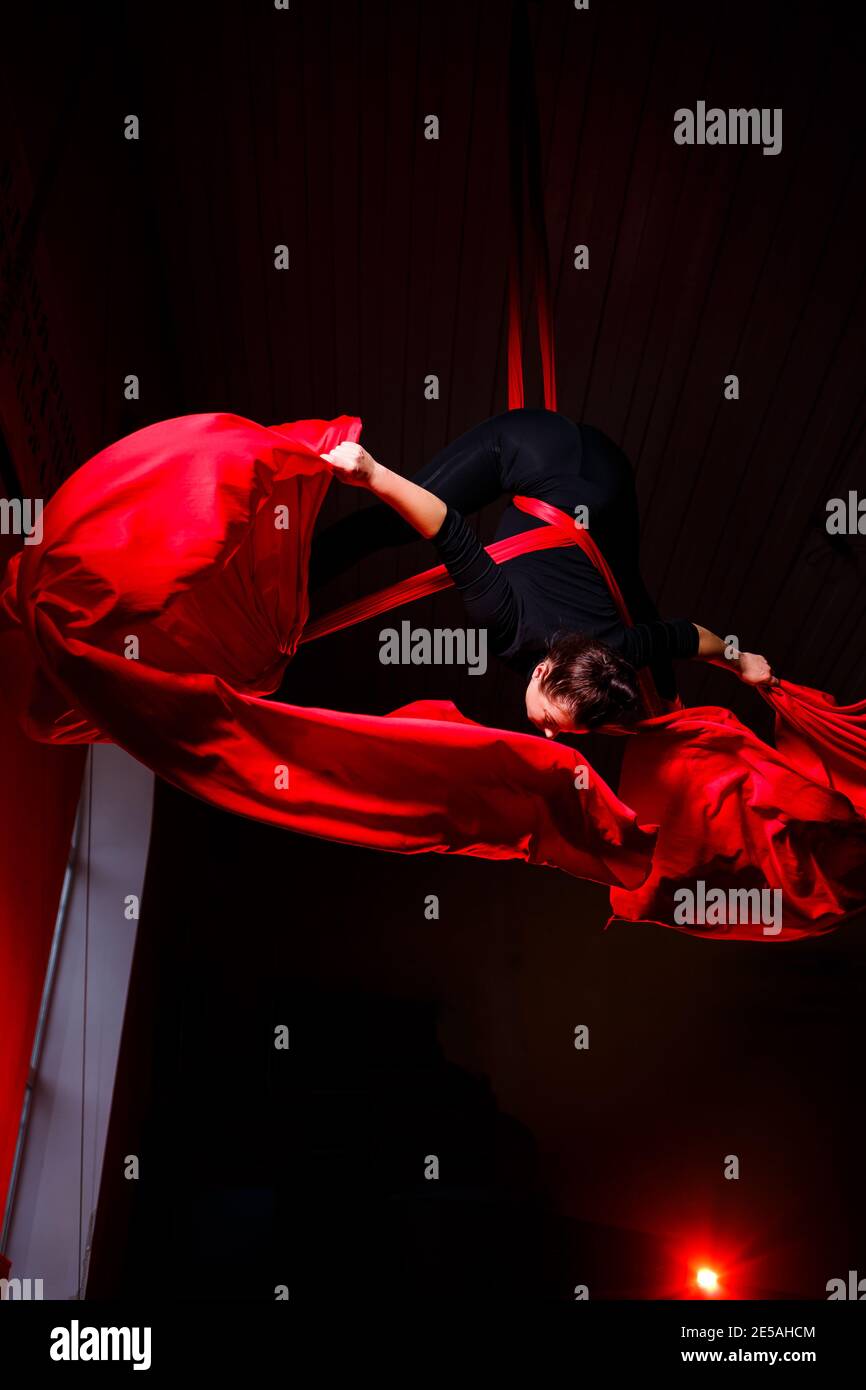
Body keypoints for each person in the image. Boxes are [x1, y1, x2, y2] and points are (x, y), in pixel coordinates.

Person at [313, 408, 775, 737]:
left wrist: (742, 662)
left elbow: (685, 637)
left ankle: (670, 705)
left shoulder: (617, 653)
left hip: (609, 470)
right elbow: (447, 527)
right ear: (540, 670)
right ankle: (294, 581)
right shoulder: (508, 624)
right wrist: (372, 473)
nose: (550, 736)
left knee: (630, 590)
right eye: (553, 722)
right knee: (389, 525)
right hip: (538, 450)